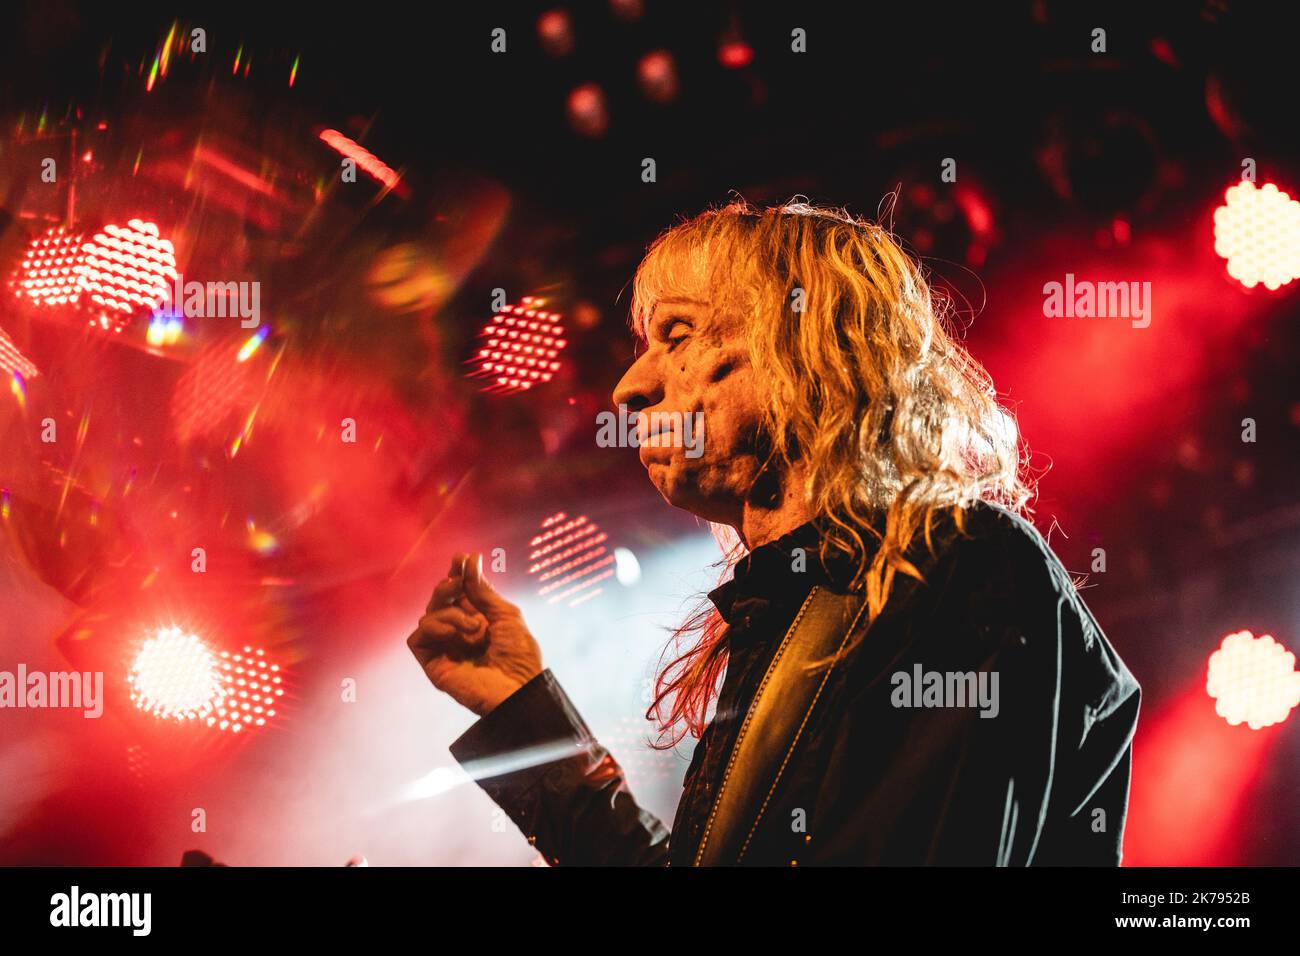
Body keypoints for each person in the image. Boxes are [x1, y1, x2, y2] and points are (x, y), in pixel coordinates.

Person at [407, 201, 1141, 866]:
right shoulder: (794, 612)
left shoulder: (957, 564)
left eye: (678, 334)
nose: (630, 388)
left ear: (805, 342)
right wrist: (523, 713)